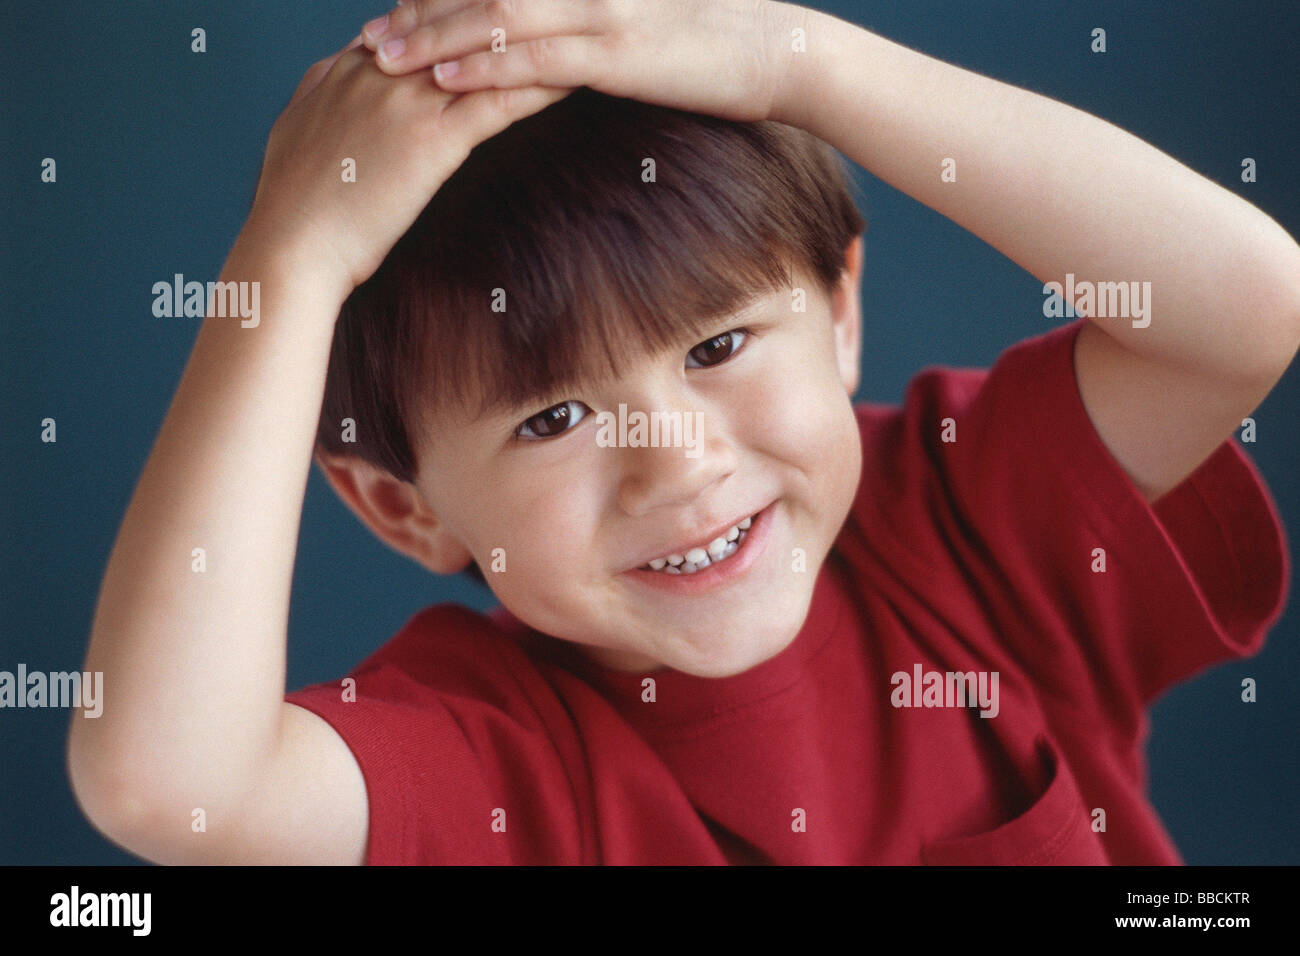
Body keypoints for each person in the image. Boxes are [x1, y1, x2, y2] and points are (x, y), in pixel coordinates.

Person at [69, 0, 1298, 864]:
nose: (680, 460)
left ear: (840, 312)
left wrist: (794, 59)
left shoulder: (964, 535)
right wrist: (295, 256)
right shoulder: (494, 759)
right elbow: (165, 786)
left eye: (718, 347)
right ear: (406, 506)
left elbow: (1246, 309)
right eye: (553, 417)